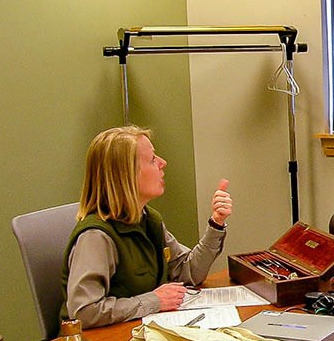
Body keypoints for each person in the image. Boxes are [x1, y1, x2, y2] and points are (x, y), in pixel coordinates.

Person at [61, 126, 233, 329]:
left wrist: (216, 223)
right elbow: (84, 312)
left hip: (141, 332)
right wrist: (154, 301)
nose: (163, 163)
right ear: (125, 175)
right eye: (152, 160)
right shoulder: (96, 237)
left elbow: (187, 272)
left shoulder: (148, 219)